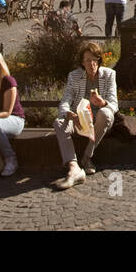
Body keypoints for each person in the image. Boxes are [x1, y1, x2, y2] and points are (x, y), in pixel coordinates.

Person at [53, 41, 119, 189]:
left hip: (100, 121)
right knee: (59, 122)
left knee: (105, 113)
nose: (92, 64)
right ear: (82, 63)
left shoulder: (109, 74)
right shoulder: (74, 76)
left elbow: (114, 105)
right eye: (88, 60)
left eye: (95, 60)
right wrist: (68, 113)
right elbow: (66, 100)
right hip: (80, 120)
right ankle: (74, 167)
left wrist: (102, 102)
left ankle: (87, 157)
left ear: (99, 60)